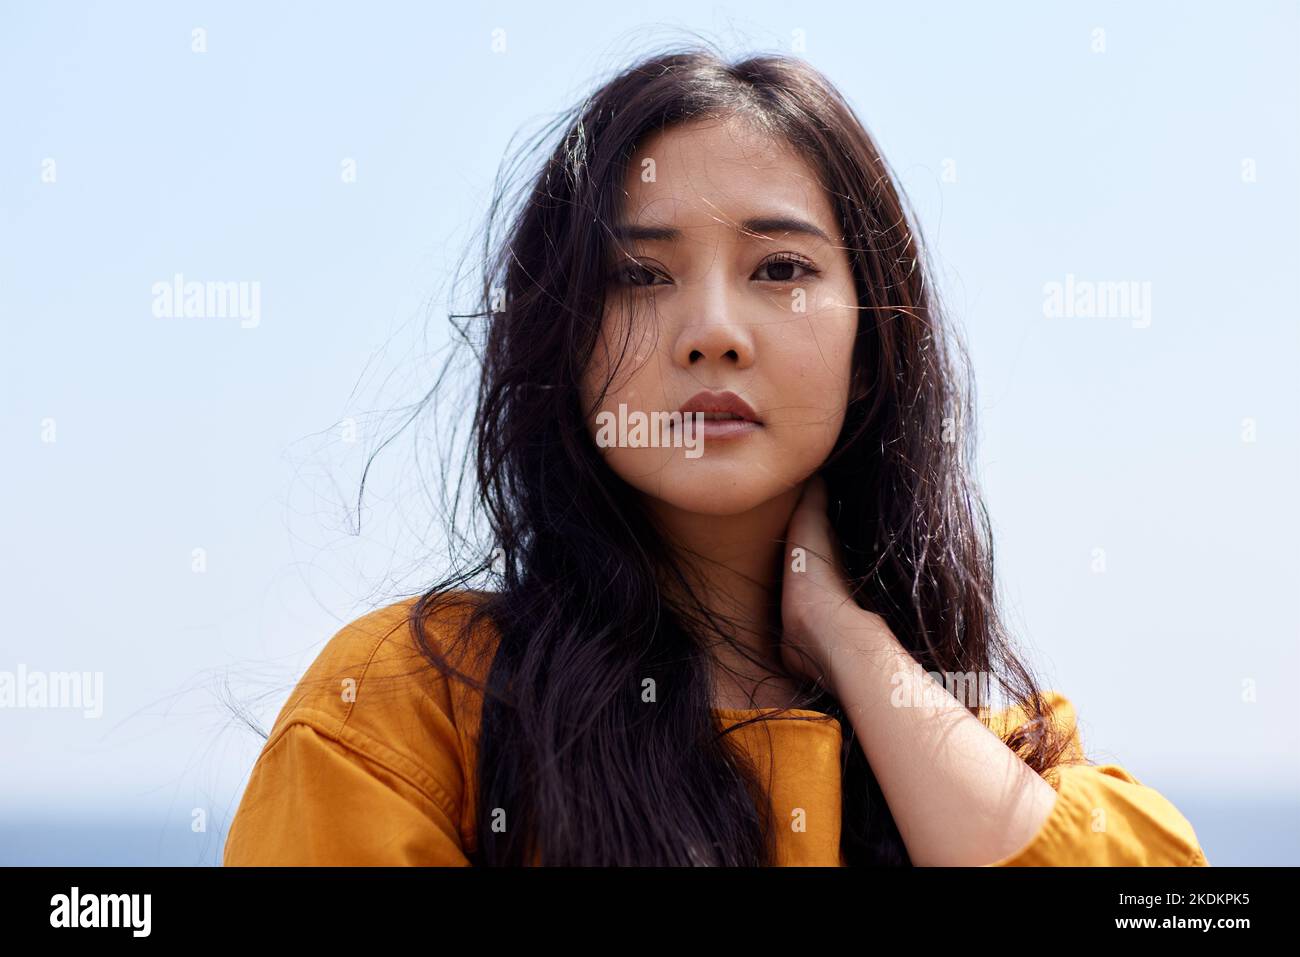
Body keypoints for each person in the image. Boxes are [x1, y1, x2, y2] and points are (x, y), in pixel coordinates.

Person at [223, 47, 1210, 867]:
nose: (709, 332)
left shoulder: (998, 756)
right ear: (560, 343)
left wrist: (853, 647)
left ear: (872, 344)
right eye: (636, 275)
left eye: (780, 269)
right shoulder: (415, 708)